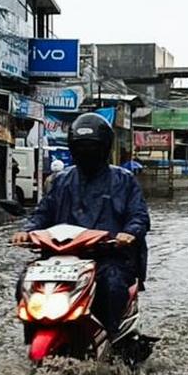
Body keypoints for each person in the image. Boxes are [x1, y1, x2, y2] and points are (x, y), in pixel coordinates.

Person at [12, 113, 150, 338]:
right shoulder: (62, 181)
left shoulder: (124, 180)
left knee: (112, 284)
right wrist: (27, 231)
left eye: (91, 147)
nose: (87, 153)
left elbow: (139, 216)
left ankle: (111, 337)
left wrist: (128, 233)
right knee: (25, 282)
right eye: (81, 147)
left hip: (107, 256)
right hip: (63, 258)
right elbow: (43, 213)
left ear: (104, 148)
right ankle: (33, 332)